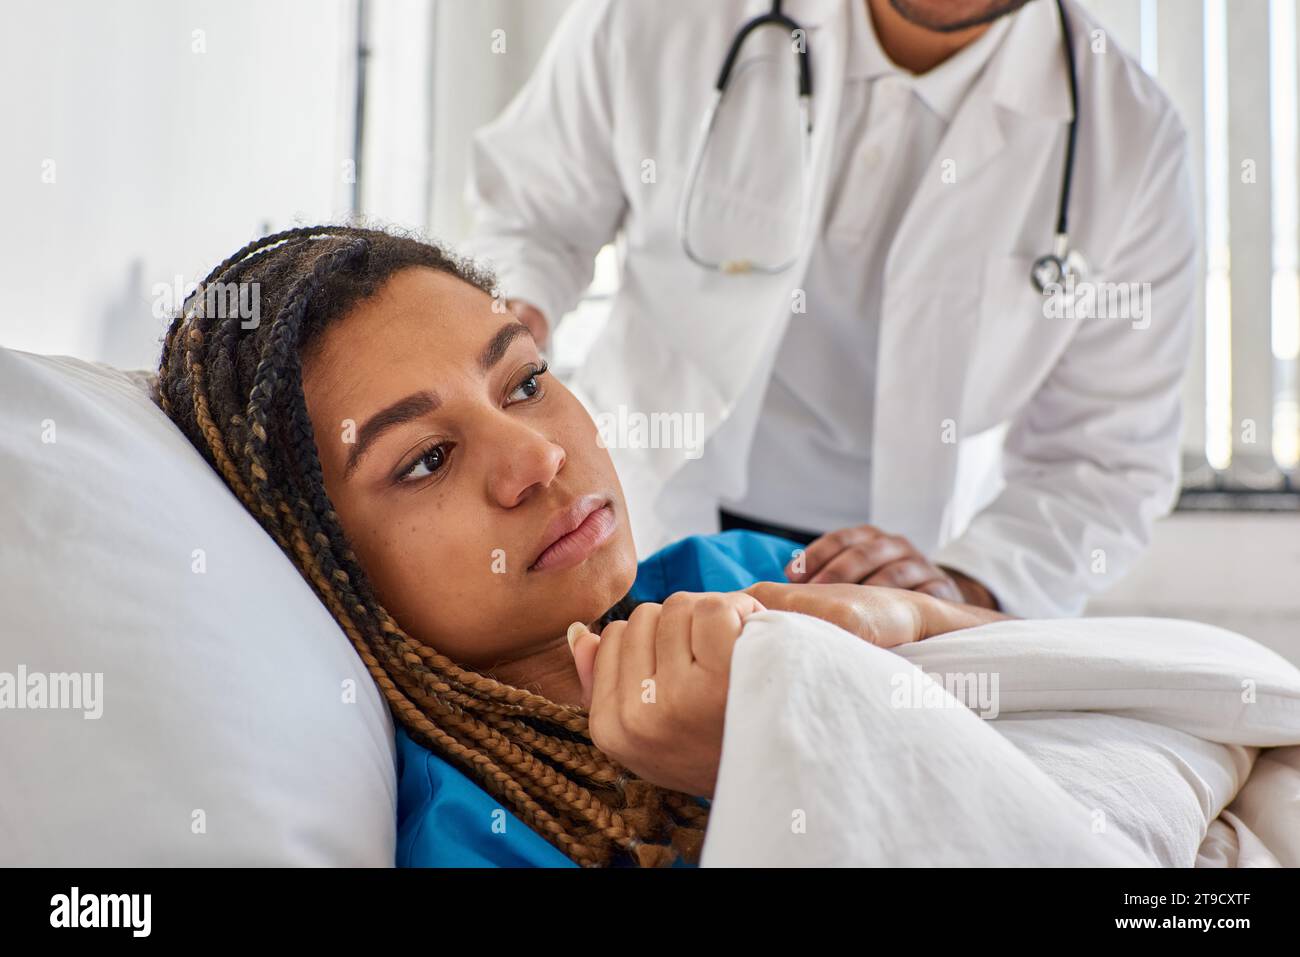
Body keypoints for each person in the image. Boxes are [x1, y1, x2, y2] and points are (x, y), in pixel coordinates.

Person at [155, 225, 1007, 867]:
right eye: (426, 460)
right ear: (325, 567)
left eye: (524, 382)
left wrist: (920, 618)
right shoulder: (470, 838)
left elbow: (1065, 717)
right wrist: (762, 769)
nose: (537, 457)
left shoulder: (744, 572)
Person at [463, 0, 1197, 619]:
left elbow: (1103, 460)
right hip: (631, 507)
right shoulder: (668, 15)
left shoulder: (1130, 144)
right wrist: (504, 336)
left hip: (880, 583)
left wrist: (960, 586)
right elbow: (531, 216)